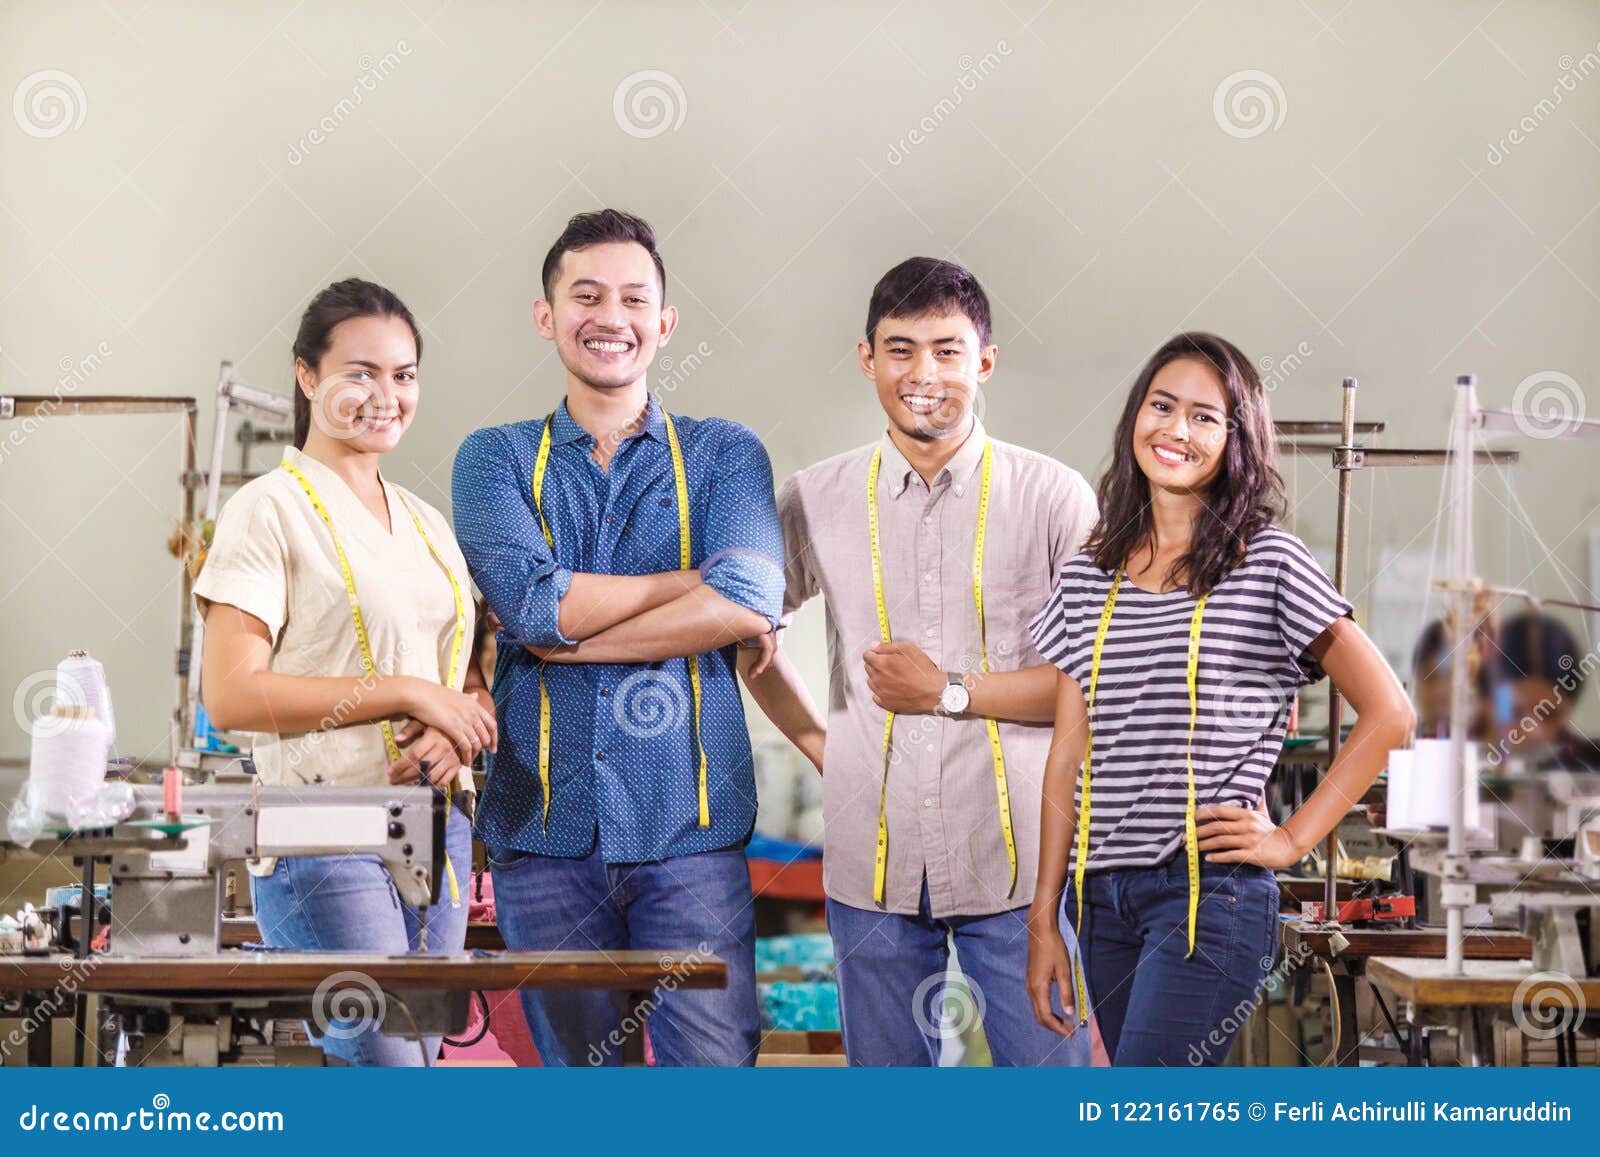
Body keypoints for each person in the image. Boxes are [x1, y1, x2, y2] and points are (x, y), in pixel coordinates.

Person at [741, 257, 1098, 1065]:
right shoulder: (815, 497)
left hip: (1019, 869)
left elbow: (1092, 686)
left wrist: (947, 693)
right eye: (900, 349)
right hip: (872, 862)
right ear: (867, 358)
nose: (924, 373)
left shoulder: (1053, 498)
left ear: (985, 361)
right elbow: (750, 639)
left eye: (947, 349)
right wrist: (821, 747)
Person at [1024, 331, 1414, 1066]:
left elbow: (1391, 711)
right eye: (1162, 405)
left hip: (1209, 893)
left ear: (1238, 439)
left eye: (1205, 416)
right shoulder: (1087, 575)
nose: (1176, 429)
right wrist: (1044, 916)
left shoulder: (1268, 561)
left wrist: (1291, 840)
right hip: (1100, 897)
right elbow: (1066, 754)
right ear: (1134, 416)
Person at [452, 209, 783, 1067]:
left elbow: (750, 592)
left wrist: (569, 634)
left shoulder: (724, 454)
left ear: (664, 323)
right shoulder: (493, 459)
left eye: (635, 298)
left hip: (692, 836)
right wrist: (688, 586)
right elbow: (530, 605)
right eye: (587, 294)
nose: (612, 316)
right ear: (546, 314)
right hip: (543, 835)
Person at [195, 278, 496, 1066]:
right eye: (359, 372)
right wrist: (402, 693)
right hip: (322, 832)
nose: (385, 396)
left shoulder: (427, 523)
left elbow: (466, 680)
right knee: (391, 1070)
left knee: (418, 1070)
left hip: (440, 829)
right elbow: (229, 695)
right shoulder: (266, 510)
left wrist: (452, 728)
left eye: (404, 375)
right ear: (306, 376)